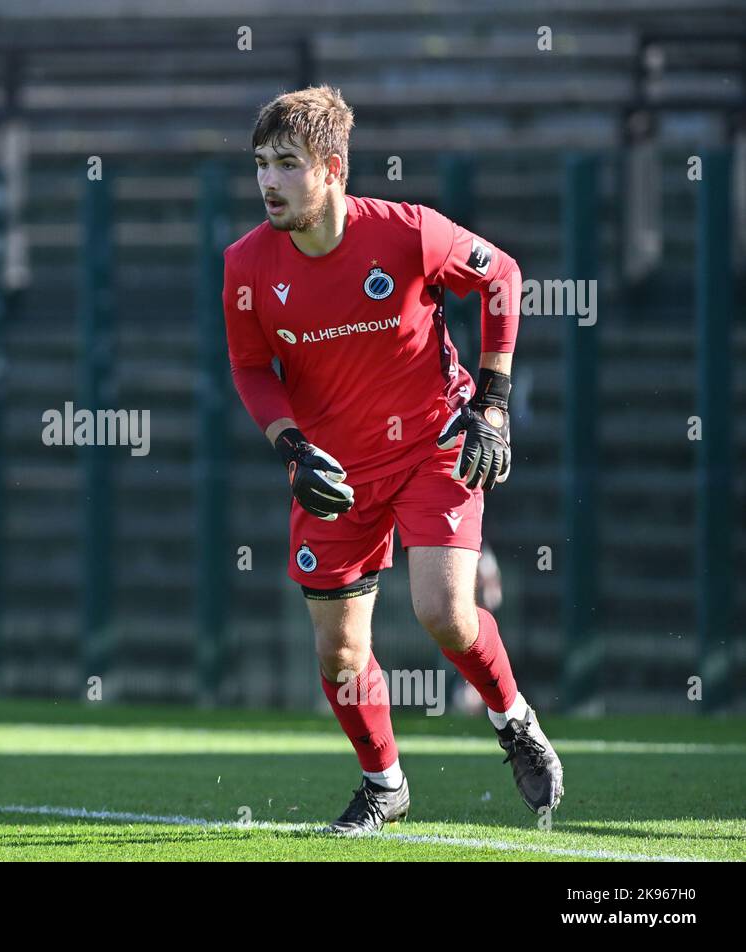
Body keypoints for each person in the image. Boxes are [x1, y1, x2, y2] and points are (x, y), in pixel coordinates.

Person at [222, 85, 563, 835]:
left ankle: (512, 721)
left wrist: (495, 404)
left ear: (333, 168)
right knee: (340, 651)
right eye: (260, 165)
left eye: (287, 164)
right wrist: (290, 446)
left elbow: (502, 275)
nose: (268, 182)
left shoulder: (409, 233)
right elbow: (250, 368)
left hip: (434, 443)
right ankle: (385, 786)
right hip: (335, 473)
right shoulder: (246, 265)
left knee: (443, 610)